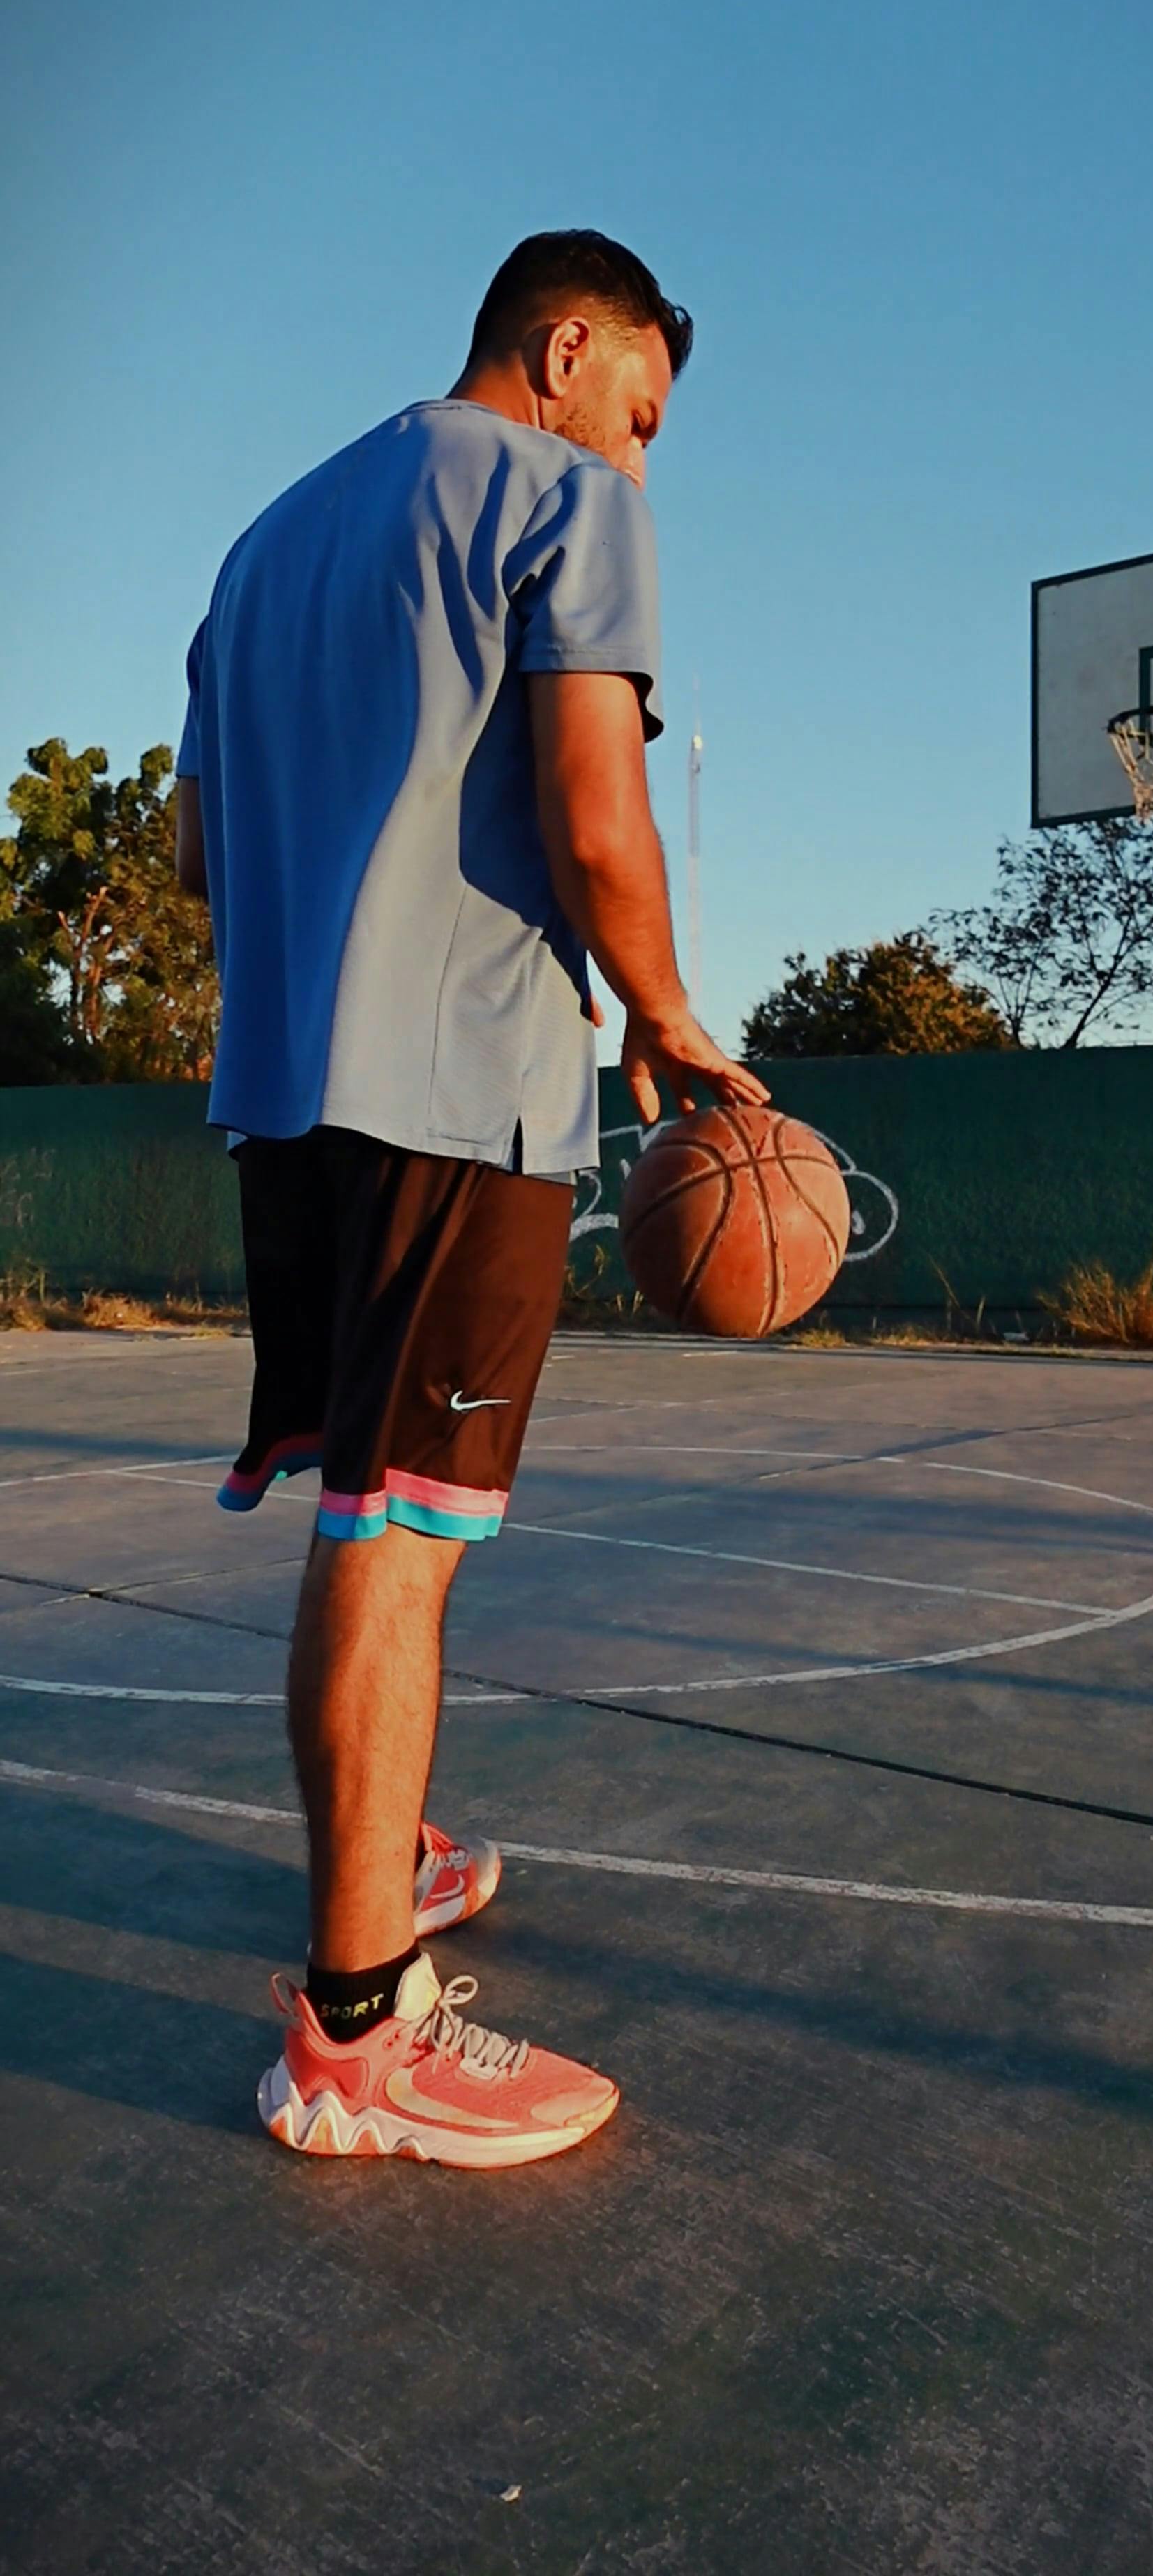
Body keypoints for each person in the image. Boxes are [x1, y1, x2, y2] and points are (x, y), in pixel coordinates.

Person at [174, 229, 767, 2169]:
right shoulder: (558, 499)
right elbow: (598, 814)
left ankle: (387, 1860)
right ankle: (360, 2033)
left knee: (359, 1517)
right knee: (404, 1543)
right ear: (568, 343)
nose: (643, 461)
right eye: (645, 414)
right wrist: (669, 1018)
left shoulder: (264, 549)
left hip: (289, 1096)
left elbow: (202, 851)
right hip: (456, 1100)